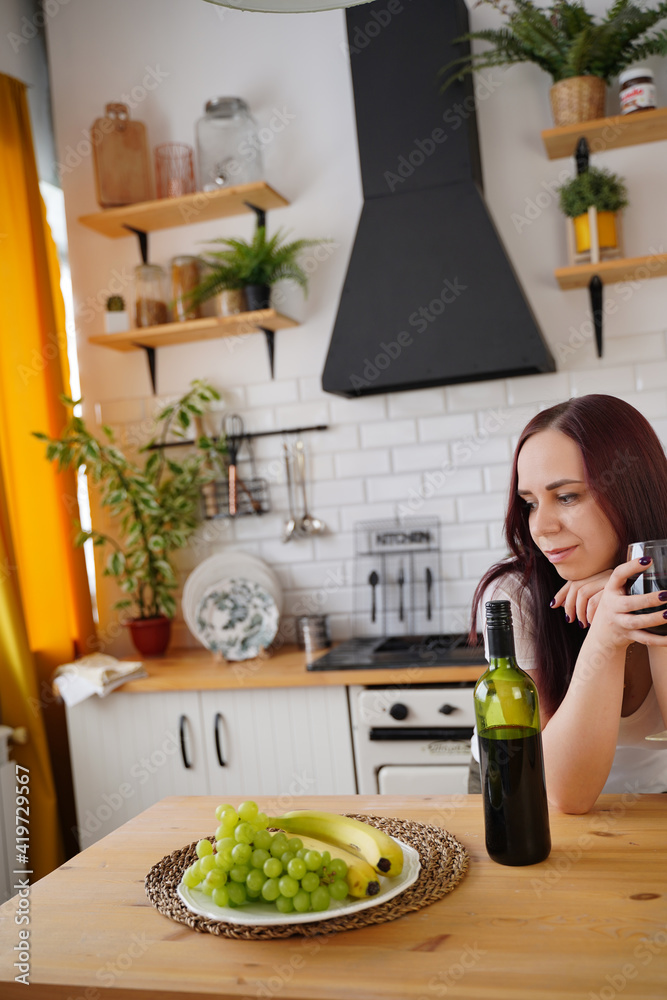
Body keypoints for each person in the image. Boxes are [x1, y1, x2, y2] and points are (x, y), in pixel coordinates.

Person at [469, 394, 667, 813]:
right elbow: (564, 794)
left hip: (651, 802)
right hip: (524, 799)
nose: (541, 527)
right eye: (530, 503)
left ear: (633, 491)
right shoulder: (515, 596)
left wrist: (638, 586)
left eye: (568, 497)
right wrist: (606, 635)